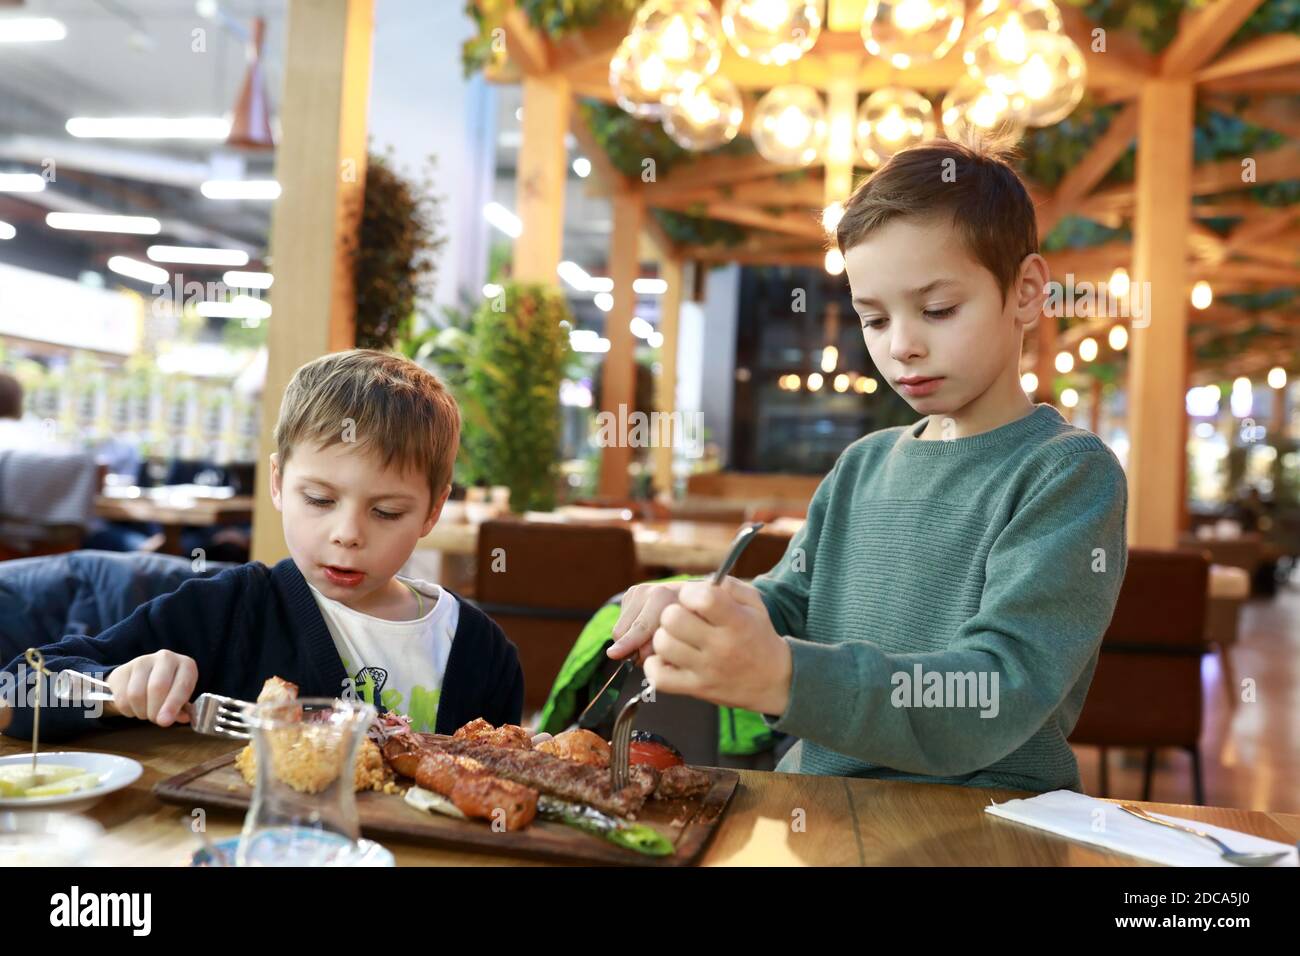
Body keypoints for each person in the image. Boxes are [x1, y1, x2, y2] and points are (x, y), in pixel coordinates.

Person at [607, 140, 1129, 793]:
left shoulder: (1065, 474)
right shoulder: (864, 464)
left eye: (938, 310)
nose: (903, 346)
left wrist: (786, 678)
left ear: (1025, 292)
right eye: (874, 319)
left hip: (985, 824)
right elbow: (790, 605)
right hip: (818, 806)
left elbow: (998, 686)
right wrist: (696, 604)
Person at [1, 349, 523, 739]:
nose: (347, 533)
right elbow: (17, 688)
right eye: (319, 499)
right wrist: (114, 688)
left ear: (433, 509)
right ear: (276, 482)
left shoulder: (481, 653)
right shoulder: (227, 611)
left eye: (386, 512)